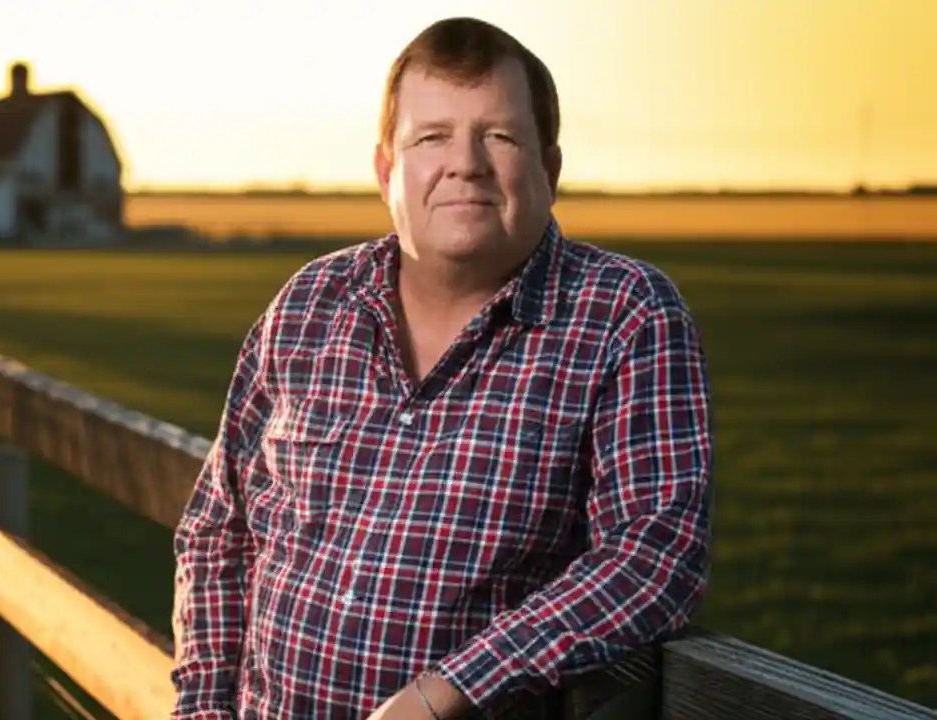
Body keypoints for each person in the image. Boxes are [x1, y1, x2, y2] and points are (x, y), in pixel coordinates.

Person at [171, 15, 713, 720]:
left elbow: (655, 553)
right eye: (432, 137)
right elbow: (220, 526)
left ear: (549, 169)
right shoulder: (309, 304)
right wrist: (204, 712)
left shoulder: (624, 315)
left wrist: (450, 691)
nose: (467, 163)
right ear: (387, 171)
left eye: (500, 135)